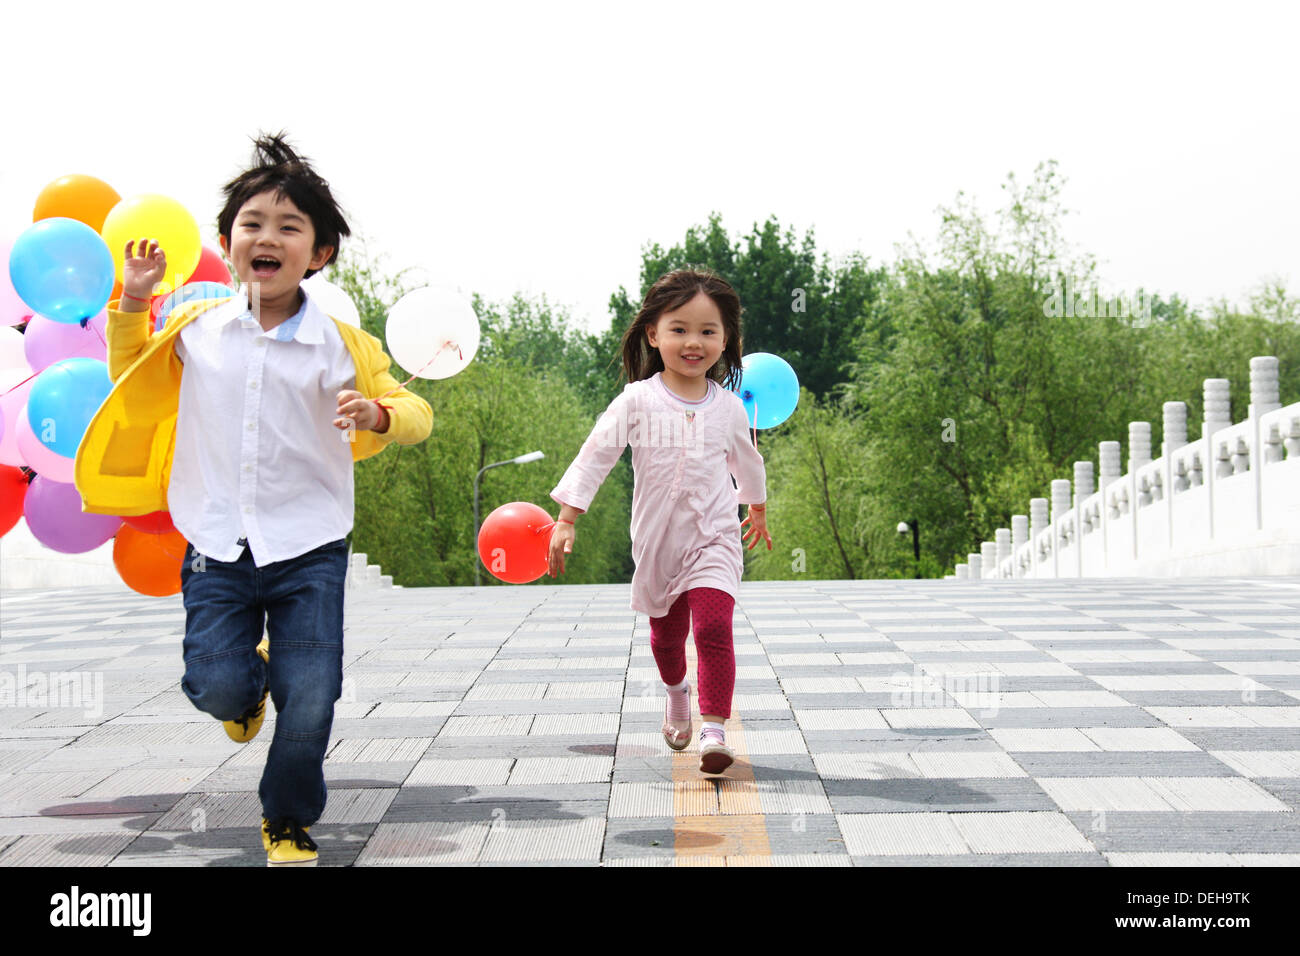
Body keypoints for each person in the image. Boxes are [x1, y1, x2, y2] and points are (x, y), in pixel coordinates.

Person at [74, 133, 432, 864]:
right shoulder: (195, 331)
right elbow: (133, 382)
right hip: (216, 543)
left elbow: (417, 412)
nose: (268, 238)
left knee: (313, 696)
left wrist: (378, 414)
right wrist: (134, 303)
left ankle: (287, 820)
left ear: (320, 253)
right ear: (227, 242)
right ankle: (243, 696)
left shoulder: (343, 346)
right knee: (214, 684)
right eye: (253, 225)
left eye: (289, 227)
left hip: (310, 547)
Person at [547, 268, 771, 774]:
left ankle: (714, 730)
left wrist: (755, 507)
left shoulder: (730, 408)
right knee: (667, 638)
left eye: (709, 331)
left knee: (714, 626)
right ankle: (676, 693)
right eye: (679, 329)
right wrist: (567, 517)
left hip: (714, 537)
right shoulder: (637, 400)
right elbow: (596, 454)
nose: (694, 342)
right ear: (654, 334)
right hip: (656, 544)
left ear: (727, 340)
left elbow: (747, 461)